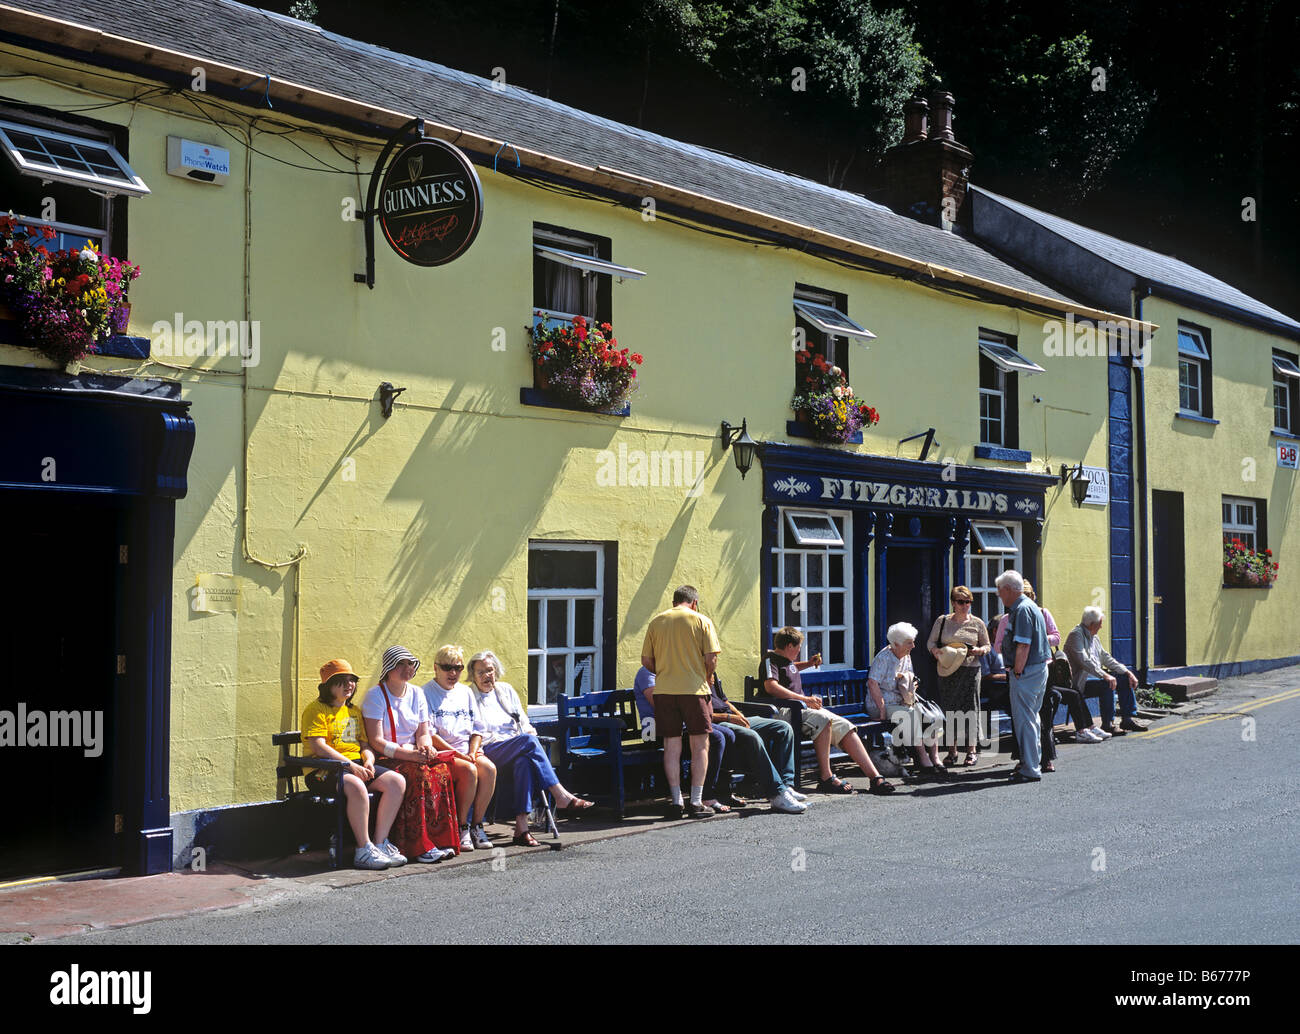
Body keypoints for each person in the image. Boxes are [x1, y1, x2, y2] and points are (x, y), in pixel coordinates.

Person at [637, 666, 807, 814]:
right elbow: (665, 706)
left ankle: (785, 786)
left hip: (700, 721)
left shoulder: (691, 670)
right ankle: (773, 792)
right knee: (730, 736)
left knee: (782, 728)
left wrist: (739, 715)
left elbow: (719, 701)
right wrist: (725, 716)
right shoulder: (651, 673)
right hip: (665, 729)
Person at [467, 650, 593, 846]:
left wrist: (529, 733)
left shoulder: (505, 690)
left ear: (496, 671)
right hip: (489, 750)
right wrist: (527, 739)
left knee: (524, 761)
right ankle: (560, 795)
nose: (486, 676)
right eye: (480, 672)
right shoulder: (470, 696)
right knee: (528, 743)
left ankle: (521, 829)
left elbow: (523, 722)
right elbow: (477, 732)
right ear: (472, 675)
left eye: (490, 670)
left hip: (516, 747)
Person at [763, 626, 896, 795]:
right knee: (823, 721)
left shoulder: (786, 661)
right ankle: (826, 777)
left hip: (800, 709)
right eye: (797, 648)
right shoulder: (770, 659)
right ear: (789, 646)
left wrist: (809, 664)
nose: (798, 651)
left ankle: (875, 778)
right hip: (785, 710)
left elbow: (790, 668)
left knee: (845, 726)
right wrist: (805, 699)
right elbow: (770, 686)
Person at [303, 659, 409, 870]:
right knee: (356, 785)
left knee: (396, 781)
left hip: (355, 766)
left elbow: (364, 744)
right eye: (342, 681)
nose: (349, 685)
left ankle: (380, 843)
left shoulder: (353, 711)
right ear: (327, 686)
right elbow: (318, 747)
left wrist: (369, 760)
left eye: (352, 681)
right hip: (324, 770)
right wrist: (349, 766)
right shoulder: (316, 709)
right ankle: (363, 849)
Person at [360, 646, 459, 862]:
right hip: (388, 757)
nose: (408, 668)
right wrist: (410, 755)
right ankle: (416, 845)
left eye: (410, 663)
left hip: (413, 754)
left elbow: (423, 732)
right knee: (420, 775)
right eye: (401, 664)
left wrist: (425, 747)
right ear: (389, 668)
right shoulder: (376, 696)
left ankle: (438, 840)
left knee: (441, 771)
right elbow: (376, 741)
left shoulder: (417, 693)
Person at [640, 585, 722, 818]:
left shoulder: (657, 622)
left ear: (675, 601)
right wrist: (704, 676)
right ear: (694, 602)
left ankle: (676, 801)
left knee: (671, 745)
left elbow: (646, 660)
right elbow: (711, 659)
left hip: (665, 690)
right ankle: (696, 802)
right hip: (694, 690)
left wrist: (666, 670)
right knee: (700, 745)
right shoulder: (702, 621)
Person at [423, 644, 498, 851]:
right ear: (436, 668)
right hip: (444, 752)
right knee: (469, 770)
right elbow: (430, 734)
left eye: (458, 668)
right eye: (447, 668)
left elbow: (477, 729)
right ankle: (462, 825)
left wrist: (472, 752)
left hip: (468, 751)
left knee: (489, 769)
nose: (453, 673)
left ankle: (477, 824)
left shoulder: (466, 692)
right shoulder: (426, 693)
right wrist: (461, 756)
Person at [867, 623, 946, 780]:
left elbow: (910, 679)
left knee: (932, 715)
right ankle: (923, 758)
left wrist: (912, 688)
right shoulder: (883, 658)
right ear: (896, 644)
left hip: (903, 702)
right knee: (910, 714)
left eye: (912, 641)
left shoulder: (906, 656)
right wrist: (882, 709)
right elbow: (872, 683)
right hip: (882, 704)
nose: (913, 646)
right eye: (909, 642)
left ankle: (935, 757)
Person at [927, 586, 991, 768]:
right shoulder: (943, 621)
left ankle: (971, 751)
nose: (965, 606)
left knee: (971, 709)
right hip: (948, 670)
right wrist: (935, 651)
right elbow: (931, 642)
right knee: (950, 709)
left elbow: (987, 645)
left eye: (968, 602)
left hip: (970, 670)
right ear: (953, 603)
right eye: (961, 602)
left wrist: (979, 650)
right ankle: (952, 751)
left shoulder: (977, 623)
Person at [996, 570, 1051, 783]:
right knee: (1031, 719)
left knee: (1025, 721)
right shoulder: (1030, 607)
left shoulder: (1021, 609)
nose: (1000, 596)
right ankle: (1032, 764)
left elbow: (1023, 644)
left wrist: (1017, 671)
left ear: (1009, 590)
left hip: (1027, 672)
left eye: (1000, 591)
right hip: (1036, 670)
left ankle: (1030, 768)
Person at [1064, 607, 1147, 735]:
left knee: (1123, 678)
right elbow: (1084, 661)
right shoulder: (1076, 635)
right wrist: (1105, 675)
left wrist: (1127, 672)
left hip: (1095, 677)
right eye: (1100, 624)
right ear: (1092, 624)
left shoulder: (1094, 637)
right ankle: (1108, 724)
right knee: (1106, 683)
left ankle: (1127, 719)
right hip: (1080, 682)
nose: (1101, 627)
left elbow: (1105, 658)